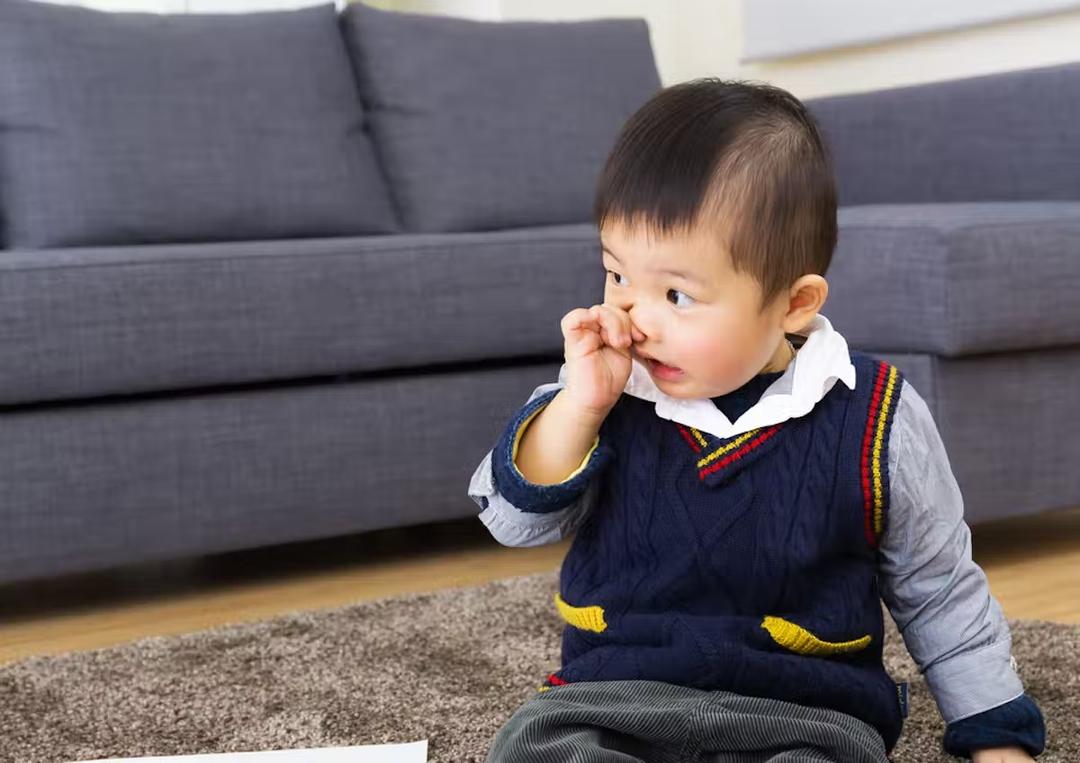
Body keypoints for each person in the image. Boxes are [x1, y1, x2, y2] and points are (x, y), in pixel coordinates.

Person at [467, 78, 1046, 762]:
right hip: (613, 693)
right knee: (536, 745)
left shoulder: (877, 416)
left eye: (676, 293)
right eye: (617, 276)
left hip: (803, 711)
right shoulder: (602, 390)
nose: (632, 317)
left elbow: (939, 589)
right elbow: (511, 518)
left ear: (794, 303)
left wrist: (997, 736)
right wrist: (580, 406)